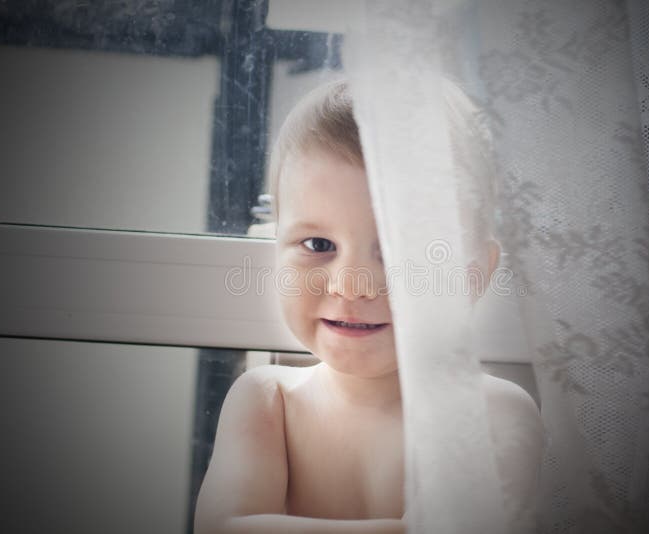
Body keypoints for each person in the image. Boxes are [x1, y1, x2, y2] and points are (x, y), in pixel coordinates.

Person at [194, 79, 544, 534]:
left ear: (473, 273)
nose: (351, 285)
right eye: (318, 243)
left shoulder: (495, 417)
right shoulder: (268, 402)